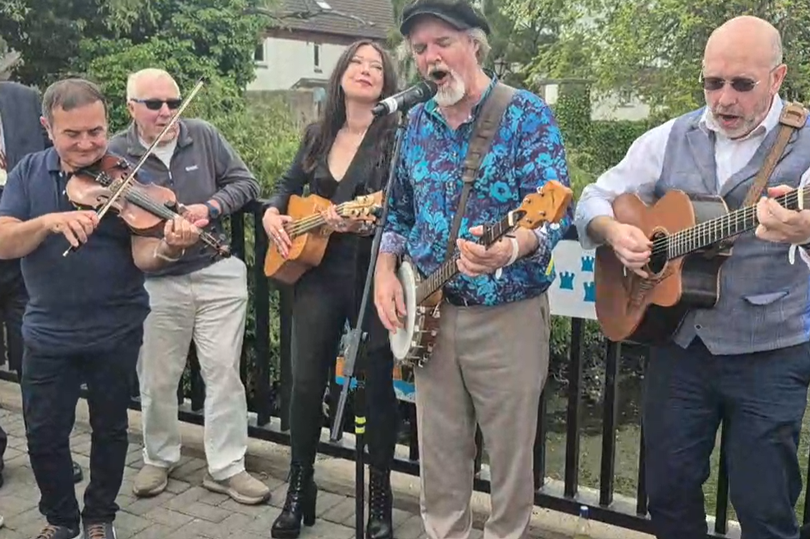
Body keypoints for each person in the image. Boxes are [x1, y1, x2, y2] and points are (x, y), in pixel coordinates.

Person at [574, 16, 810, 539]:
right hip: (680, 349)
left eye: (741, 84)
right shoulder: (670, 136)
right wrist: (614, 231)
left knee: (765, 507)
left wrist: (805, 231)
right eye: (712, 82)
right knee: (669, 493)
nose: (723, 99)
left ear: (777, 78)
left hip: (770, 352)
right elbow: (592, 196)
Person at [373, 1, 573, 537]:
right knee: (439, 452)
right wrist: (386, 273)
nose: (431, 58)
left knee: (509, 458)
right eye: (420, 49)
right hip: (430, 310)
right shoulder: (414, 122)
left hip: (507, 314)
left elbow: (557, 210)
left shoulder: (525, 114)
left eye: (443, 43)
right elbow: (398, 211)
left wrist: (510, 249)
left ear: (474, 44)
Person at [0, 77, 206, 539]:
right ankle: (60, 519)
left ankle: (99, 518)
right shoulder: (28, 173)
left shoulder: (131, 177)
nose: (87, 144)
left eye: (95, 131)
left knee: (110, 430)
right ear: (46, 128)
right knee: (43, 435)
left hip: (116, 328)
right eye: (72, 134)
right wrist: (50, 221)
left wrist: (172, 248)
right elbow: (3, 239)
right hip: (48, 331)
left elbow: (145, 257)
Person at [108, 68, 269, 505]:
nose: (166, 112)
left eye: (173, 103)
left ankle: (227, 466)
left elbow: (246, 183)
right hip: (155, 281)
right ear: (131, 108)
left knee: (223, 373)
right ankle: (158, 457)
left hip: (216, 270)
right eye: (154, 104)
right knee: (158, 377)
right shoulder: (115, 155)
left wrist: (210, 206)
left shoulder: (204, 135)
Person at [262, 39, 401, 539]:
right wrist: (273, 213)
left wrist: (371, 220)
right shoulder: (318, 133)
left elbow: (404, 202)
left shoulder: (397, 137)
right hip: (317, 272)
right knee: (304, 383)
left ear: (388, 81)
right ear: (341, 74)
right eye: (357, 63)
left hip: (373, 274)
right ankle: (300, 484)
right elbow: (283, 185)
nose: (366, 70)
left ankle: (379, 495)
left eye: (376, 66)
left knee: (378, 386)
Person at [0, 80, 84, 489]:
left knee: (37, 371)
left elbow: (49, 165)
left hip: (23, 260)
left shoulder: (21, 98)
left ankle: (52, 457)